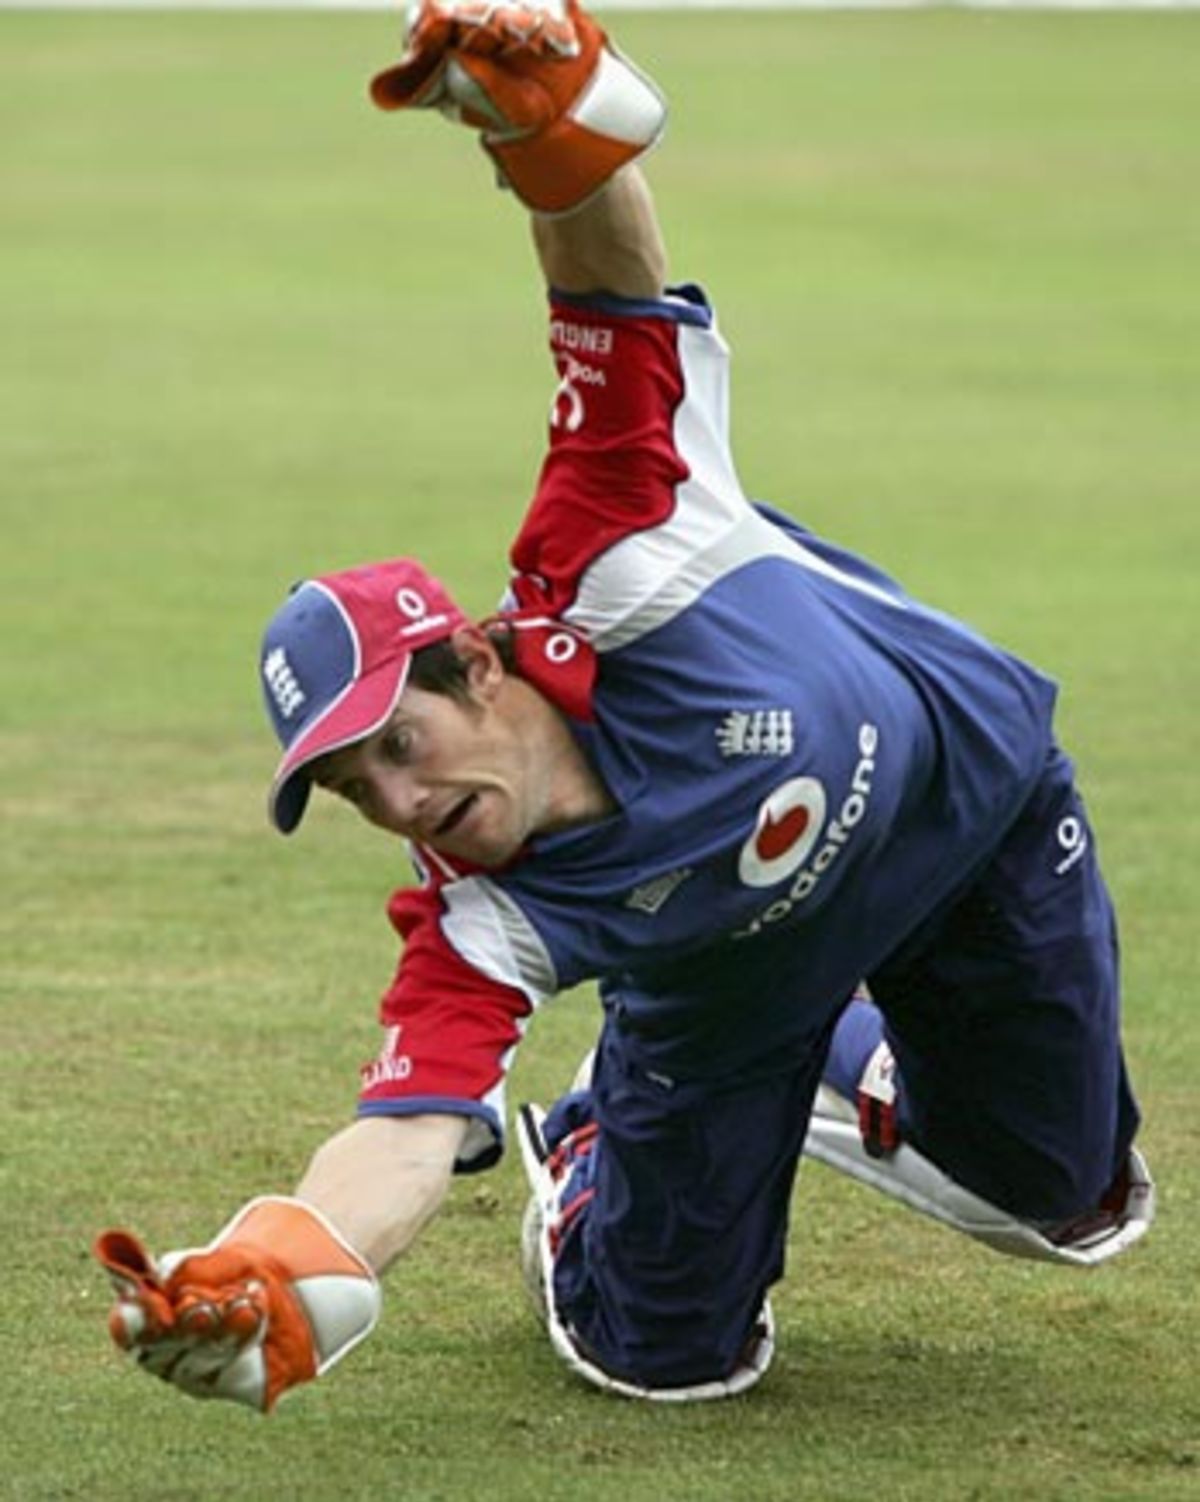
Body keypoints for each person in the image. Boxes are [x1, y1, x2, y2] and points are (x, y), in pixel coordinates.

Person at [95, 0, 1153, 1412]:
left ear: (478, 663)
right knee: (660, 1359)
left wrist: (548, 128)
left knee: (1069, 1200)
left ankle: (856, 1062)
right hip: (731, 991)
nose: (400, 803)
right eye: (354, 790)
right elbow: (404, 1135)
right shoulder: (484, 918)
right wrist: (281, 1271)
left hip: (977, 817)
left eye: (397, 745)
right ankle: (595, 1150)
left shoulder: (616, 544)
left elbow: (604, 285)